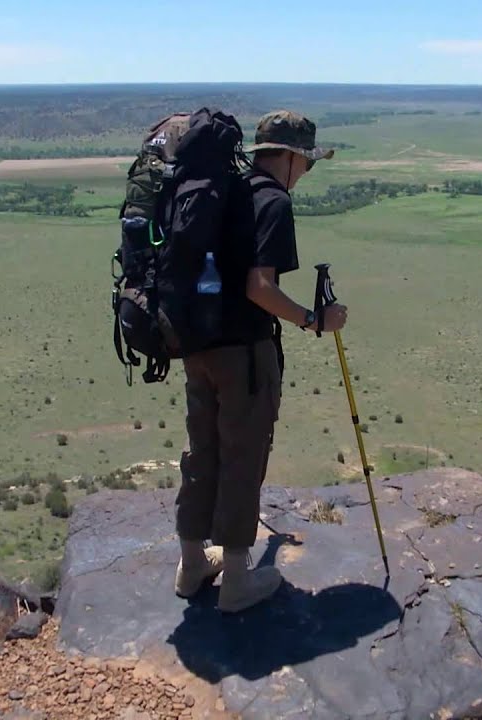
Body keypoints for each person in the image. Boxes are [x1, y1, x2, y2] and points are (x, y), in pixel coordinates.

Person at [173, 110, 348, 613]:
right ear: (291, 157)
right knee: (242, 457)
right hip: (244, 354)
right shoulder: (272, 202)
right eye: (308, 161)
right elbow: (260, 287)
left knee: (201, 452)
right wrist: (315, 320)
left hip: (198, 346)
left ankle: (190, 567)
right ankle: (235, 582)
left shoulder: (226, 191)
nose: (309, 171)